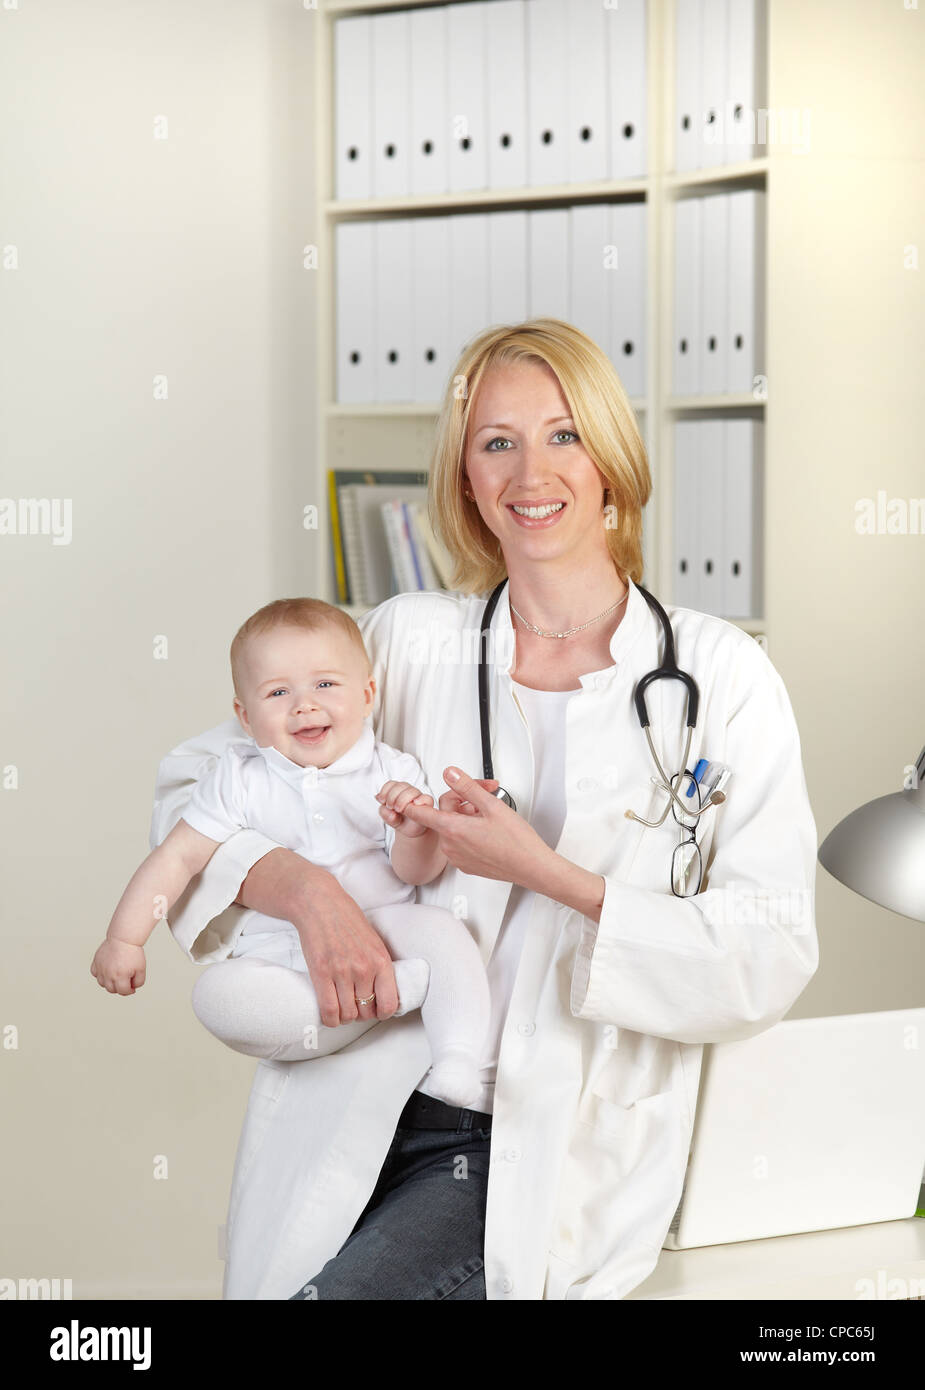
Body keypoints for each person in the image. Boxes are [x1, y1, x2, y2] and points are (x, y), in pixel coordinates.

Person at [149, 318, 819, 1300]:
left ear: (609, 460)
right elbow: (196, 785)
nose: (528, 471)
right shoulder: (409, 640)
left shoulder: (719, 675)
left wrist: (545, 871)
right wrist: (300, 889)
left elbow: (767, 949)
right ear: (464, 475)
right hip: (362, 1088)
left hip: (538, 1137)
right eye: (496, 442)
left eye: (563, 434)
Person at [90, 597, 491, 1108]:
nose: (304, 704)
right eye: (278, 692)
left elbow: (412, 874)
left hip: (386, 930)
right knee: (218, 999)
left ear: (367, 695)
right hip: (280, 956)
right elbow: (177, 858)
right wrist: (124, 939)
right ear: (245, 716)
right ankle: (398, 994)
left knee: (442, 932)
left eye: (325, 684)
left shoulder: (392, 772)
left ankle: (459, 1059)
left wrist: (416, 832)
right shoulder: (237, 777)